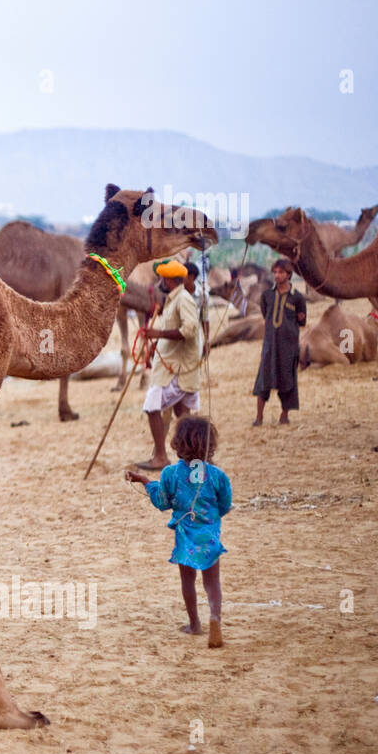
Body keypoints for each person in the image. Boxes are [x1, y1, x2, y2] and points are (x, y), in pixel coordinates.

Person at [125, 415, 231, 648]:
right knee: (213, 583)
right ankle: (215, 617)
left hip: (185, 537)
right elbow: (225, 504)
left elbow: (162, 502)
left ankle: (194, 624)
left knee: (188, 580)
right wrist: (211, 519)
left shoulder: (170, 474)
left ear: (177, 444)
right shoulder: (217, 475)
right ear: (209, 446)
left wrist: (145, 481)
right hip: (210, 536)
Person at [136, 259, 202, 470]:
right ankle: (191, 457)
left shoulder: (183, 300)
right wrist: (156, 345)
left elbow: (189, 330)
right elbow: (173, 332)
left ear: (170, 280)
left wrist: (158, 334)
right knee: (182, 415)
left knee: (152, 407)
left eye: (162, 278)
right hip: (171, 367)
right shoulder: (172, 300)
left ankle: (161, 457)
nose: (160, 282)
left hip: (177, 370)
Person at [252, 258, 307, 426]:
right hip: (270, 346)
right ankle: (259, 417)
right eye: (275, 272)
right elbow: (265, 314)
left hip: (288, 347)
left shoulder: (297, 298)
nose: (277, 275)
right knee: (263, 381)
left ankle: (284, 415)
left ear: (288, 274)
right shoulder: (267, 295)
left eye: (281, 272)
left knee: (287, 381)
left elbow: (302, 321)